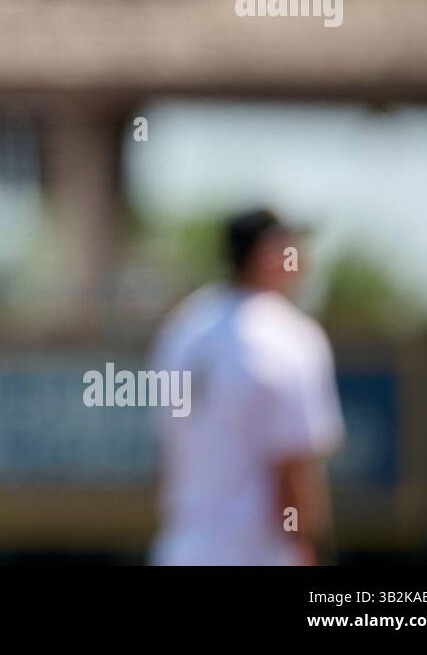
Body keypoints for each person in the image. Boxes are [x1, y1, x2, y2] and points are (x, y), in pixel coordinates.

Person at [148, 208, 345, 565]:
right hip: (258, 551)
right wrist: (303, 545)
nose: (301, 260)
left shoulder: (182, 328)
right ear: (267, 255)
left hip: (183, 547)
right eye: (291, 247)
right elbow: (292, 464)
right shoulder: (288, 336)